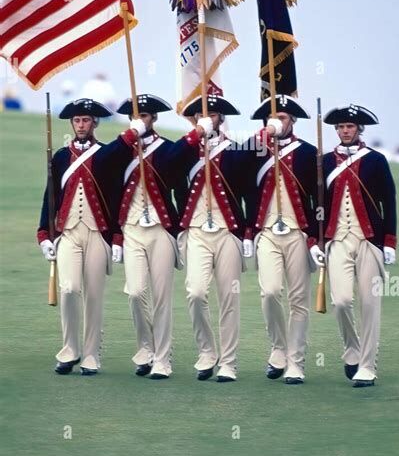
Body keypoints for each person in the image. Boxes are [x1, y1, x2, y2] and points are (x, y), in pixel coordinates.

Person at [37, 98, 145, 376]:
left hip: (98, 233)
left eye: (86, 120)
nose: (81, 125)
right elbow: (50, 196)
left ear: (95, 123)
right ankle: (69, 350)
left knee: (94, 295)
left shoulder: (106, 154)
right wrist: (44, 235)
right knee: (70, 289)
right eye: (76, 120)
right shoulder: (61, 156)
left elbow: (117, 196)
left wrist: (117, 238)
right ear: (71, 124)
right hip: (68, 233)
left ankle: (91, 354)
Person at [172, 93, 253, 383]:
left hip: (228, 231)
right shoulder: (186, 149)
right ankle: (207, 352)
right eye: (203, 116)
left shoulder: (235, 151)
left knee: (229, 297)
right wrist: (196, 136)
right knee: (195, 292)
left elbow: (249, 192)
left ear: (222, 119)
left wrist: (248, 233)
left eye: (214, 115)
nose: (209, 119)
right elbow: (168, 164)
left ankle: (229, 362)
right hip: (195, 231)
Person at [316, 104, 397, 388]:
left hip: (369, 240)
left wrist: (389, 241)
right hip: (337, 240)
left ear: (359, 129)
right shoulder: (325, 162)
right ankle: (352, 349)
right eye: (340, 127)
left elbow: (389, 200)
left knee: (369, 303)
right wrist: (316, 240)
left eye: (349, 126)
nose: (345, 131)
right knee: (340, 302)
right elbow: (319, 205)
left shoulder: (375, 160)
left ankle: (367, 365)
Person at [113, 93, 186, 380]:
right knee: (135, 292)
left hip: (161, 229)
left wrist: (180, 233)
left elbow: (179, 189)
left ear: (154, 119)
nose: (139, 120)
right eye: (134, 116)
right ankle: (146, 346)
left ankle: (162, 358)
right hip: (131, 229)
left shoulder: (166, 150)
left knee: (162, 298)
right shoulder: (119, 150)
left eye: (144, 116)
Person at [248, 94, 318, 385]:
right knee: (270, 292)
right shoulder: (256, 150)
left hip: (298, 233)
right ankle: (278, 347)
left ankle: (296, 361)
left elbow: (318, 198)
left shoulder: (307, 152)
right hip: (266, 232)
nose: (278, 122)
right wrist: (266, 134)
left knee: (299, 299)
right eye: (272, 118)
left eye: (283, 118)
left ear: (294, 122)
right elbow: (237, 166)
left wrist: (316, 239)